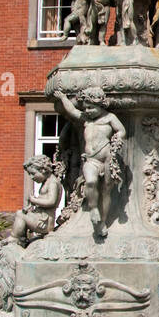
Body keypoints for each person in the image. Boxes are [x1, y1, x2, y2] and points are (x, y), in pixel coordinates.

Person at [52, 85, 125, 239]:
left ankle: (102, 222)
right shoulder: (86, 119)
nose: (87, 111)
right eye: (86, 108)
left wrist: (118, 138)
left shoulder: (109, 118)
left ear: (100, 104)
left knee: (106, 191)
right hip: (91, 159)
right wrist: (63, 98)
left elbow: (121, 130)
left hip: (106, 159)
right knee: (90, 182)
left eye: (91, 108)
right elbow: (72, 111)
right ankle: (93, 209)